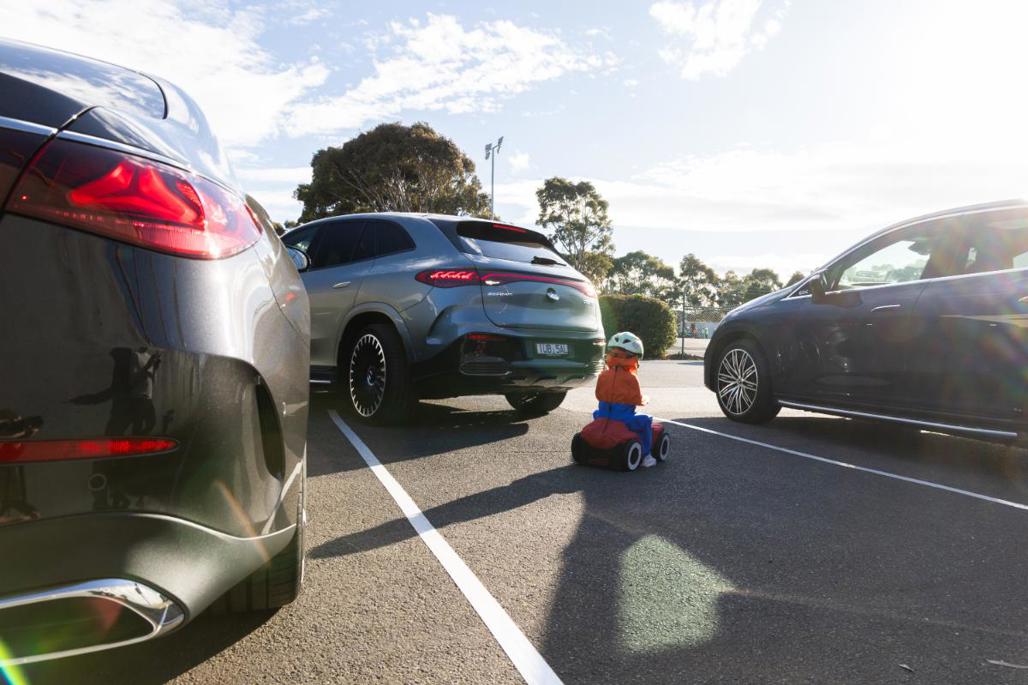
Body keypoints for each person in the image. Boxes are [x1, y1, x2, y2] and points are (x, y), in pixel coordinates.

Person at [587, 331, 657, 467]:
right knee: (646, 420)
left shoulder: (603, 375)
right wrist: (646, 398)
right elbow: (637, 400)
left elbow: (599, 395)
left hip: (603, 416)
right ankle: (646, 456)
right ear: (631, 358)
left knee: (596, 413)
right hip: (623, 419)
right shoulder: (631, 378)